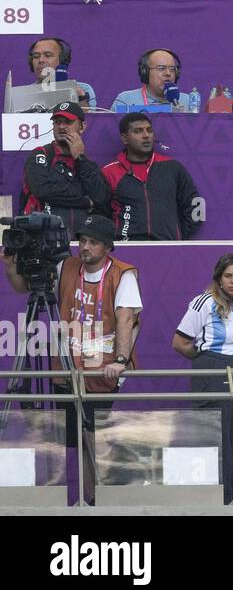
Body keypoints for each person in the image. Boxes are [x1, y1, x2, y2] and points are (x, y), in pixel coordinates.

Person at [4, 214, 141, 505]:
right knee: (68, 436)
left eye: (93, 242)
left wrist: (120, 360)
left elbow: (126, 318)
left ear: (107, 247)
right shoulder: (65, 266)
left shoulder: (122, 273)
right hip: (66, 368)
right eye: (82, 241)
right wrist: (10, 264)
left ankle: (90, 497)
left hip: (102, 370)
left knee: (92, 434)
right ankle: (68, 495)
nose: (85, 247)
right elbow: (21, 287)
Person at [173, 253, 233, 504]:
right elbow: (179, 342)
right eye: (228, 276)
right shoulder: (204, 301)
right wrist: (206, 361)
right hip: (213, 371)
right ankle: (218, 502)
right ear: (218, 280)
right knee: (218, 442)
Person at [101, 113, 203, 240]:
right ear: (124, 138)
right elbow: (100, 214)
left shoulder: (172, 167)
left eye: (149, 130)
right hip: (126, 248)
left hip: (168, 248)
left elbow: (196, 205)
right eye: (138, 131)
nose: (146, 136)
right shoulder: (109, 172)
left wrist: (177, 237)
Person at [19, 102, 109, 230]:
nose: (61, 126)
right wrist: (86, 201)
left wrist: (80, 158)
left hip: (82, 240)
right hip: (44, 236)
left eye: (68, 122)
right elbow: (43, 191)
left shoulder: (87, 164)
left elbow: (101, 197)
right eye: (57, 122)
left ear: (82, 127)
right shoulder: (41, 154)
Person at [109, 49, 189, 112]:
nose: (168, 73)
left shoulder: (187, 101)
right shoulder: (125, 100)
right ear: (145, 72)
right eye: (161, 68)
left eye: (172, 69)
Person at [26, 38, 97, 109]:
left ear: (62, 60)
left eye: (48, 55)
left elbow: (87, 118)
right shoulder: (25, 94)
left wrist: (81, 98)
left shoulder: (84, 89)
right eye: (36, 56)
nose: (41, 60)